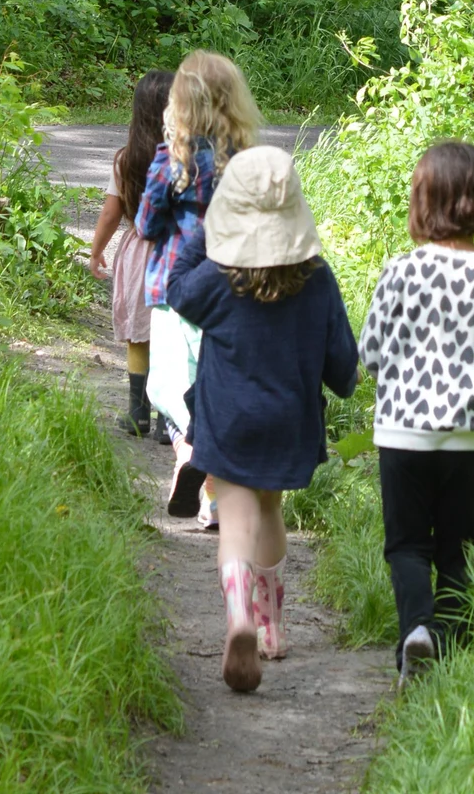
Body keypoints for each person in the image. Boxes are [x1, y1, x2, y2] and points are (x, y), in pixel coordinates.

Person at [167, 145, 359, 693]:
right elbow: (342, 365)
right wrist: (345, 380)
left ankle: (239, 619)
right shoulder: (316, 278)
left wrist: (206, 234)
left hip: (228, 418)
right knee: (270, 512)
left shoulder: (220, 277)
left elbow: (177, 291)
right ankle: (273, 627)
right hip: (290, 420)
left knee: (235, 516)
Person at [359, 140, 474, 685]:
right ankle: (452, 658)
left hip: (401, 435)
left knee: (407, 545)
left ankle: (416, 631)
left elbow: (368, 353)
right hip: (465, 439)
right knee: (458, 550)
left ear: (422, 203)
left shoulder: (398, 273)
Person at [134, 49, 260, 515]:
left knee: (168, 385)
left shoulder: (171, 158)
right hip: (231, 288)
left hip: (173, 285)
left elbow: (146, 224)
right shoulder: (247, 161)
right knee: (215, 386)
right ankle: (213, 499)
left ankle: (190, 448)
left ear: (179, 106)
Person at [87, 69, 174, 438]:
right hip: (176, 252)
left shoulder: (126, 159)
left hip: (139, 254)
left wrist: (96, 252)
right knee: (171, 334)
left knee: (140, 334)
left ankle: (138, 411)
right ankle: (167, 421)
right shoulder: (183, 159)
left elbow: (110, 213)